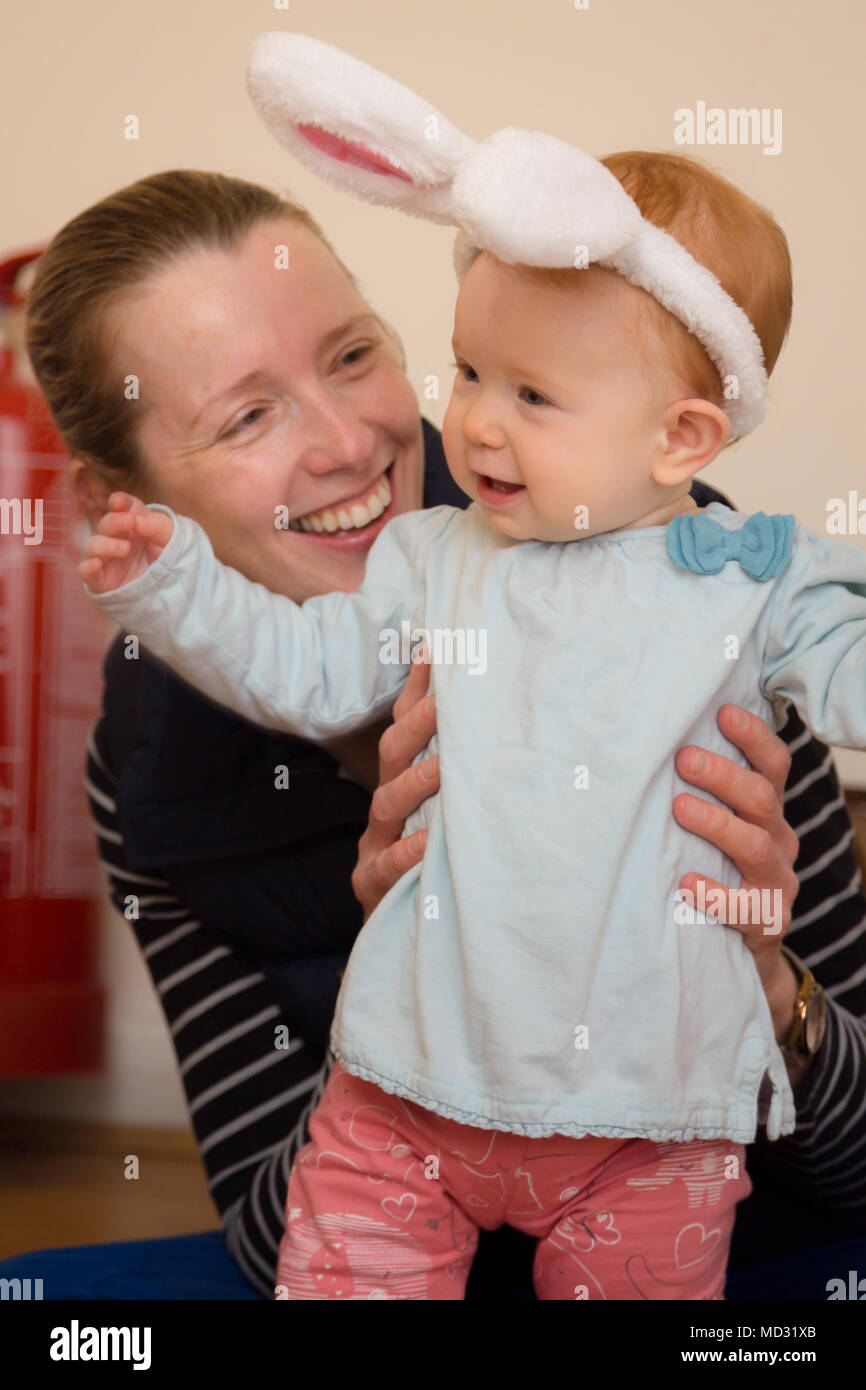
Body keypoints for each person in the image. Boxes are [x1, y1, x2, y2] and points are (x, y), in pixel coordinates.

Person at [15, 169, 864, 1302]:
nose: (346, 441)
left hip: (708, 1221)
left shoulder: (692, 588)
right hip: (394, 1200)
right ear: (116, 504)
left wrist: (767, 990)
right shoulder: (154, 769)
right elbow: (271, 1223)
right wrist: (411, 1000)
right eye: (247, 416)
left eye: (353, 355)